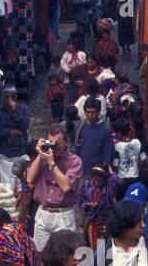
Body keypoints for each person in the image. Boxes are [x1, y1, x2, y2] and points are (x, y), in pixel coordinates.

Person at [27, 124, 83, 253]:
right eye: (52, 143)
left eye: (58, 143)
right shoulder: (43, 158)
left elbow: (66, 186)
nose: (55, 147)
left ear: (66, 142)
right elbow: (30, 179)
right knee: (40, 253)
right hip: (43, 212)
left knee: (65, 255)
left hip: (62, 214)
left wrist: (51, 163)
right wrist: (40, 155)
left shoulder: (75, 161)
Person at [0, 86, 30, 189]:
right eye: (7, 97)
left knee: (21, 182)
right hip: (2, 150)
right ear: (2, 97)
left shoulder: (23, 109)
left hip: (20, 150)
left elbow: (25, 126)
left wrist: (14, 110)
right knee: (4, 183)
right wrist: (16, 131)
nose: (9, 99)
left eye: (12, 96)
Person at [77, 165, 118, 247]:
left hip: (106, 221)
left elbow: (119, 182)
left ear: (105, 180)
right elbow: (79, 199)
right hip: (92, 221)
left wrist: (112, 173)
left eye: (99, 181)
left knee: (107, 245)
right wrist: (86, 204)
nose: (97, 183)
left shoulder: (109, 187)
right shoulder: (87, 186)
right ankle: (96, 259)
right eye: (94, 180)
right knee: (94, 247)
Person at [76, 98, 115, 174]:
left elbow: (108, 152)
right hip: (83, 169)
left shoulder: (106, 129)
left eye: (93, 112)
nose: (90, 115)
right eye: (88, 112)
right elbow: (78, 145)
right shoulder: (82, 125)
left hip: (97, 173)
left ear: (98, 111)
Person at [112, 117, 144, 181]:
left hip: (122, 179)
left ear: (119, 133)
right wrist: (135, 169)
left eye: (115, 133)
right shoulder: (137, 142)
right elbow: (143, 159)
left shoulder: (117, 146)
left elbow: (115, 165)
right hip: (136, 177)